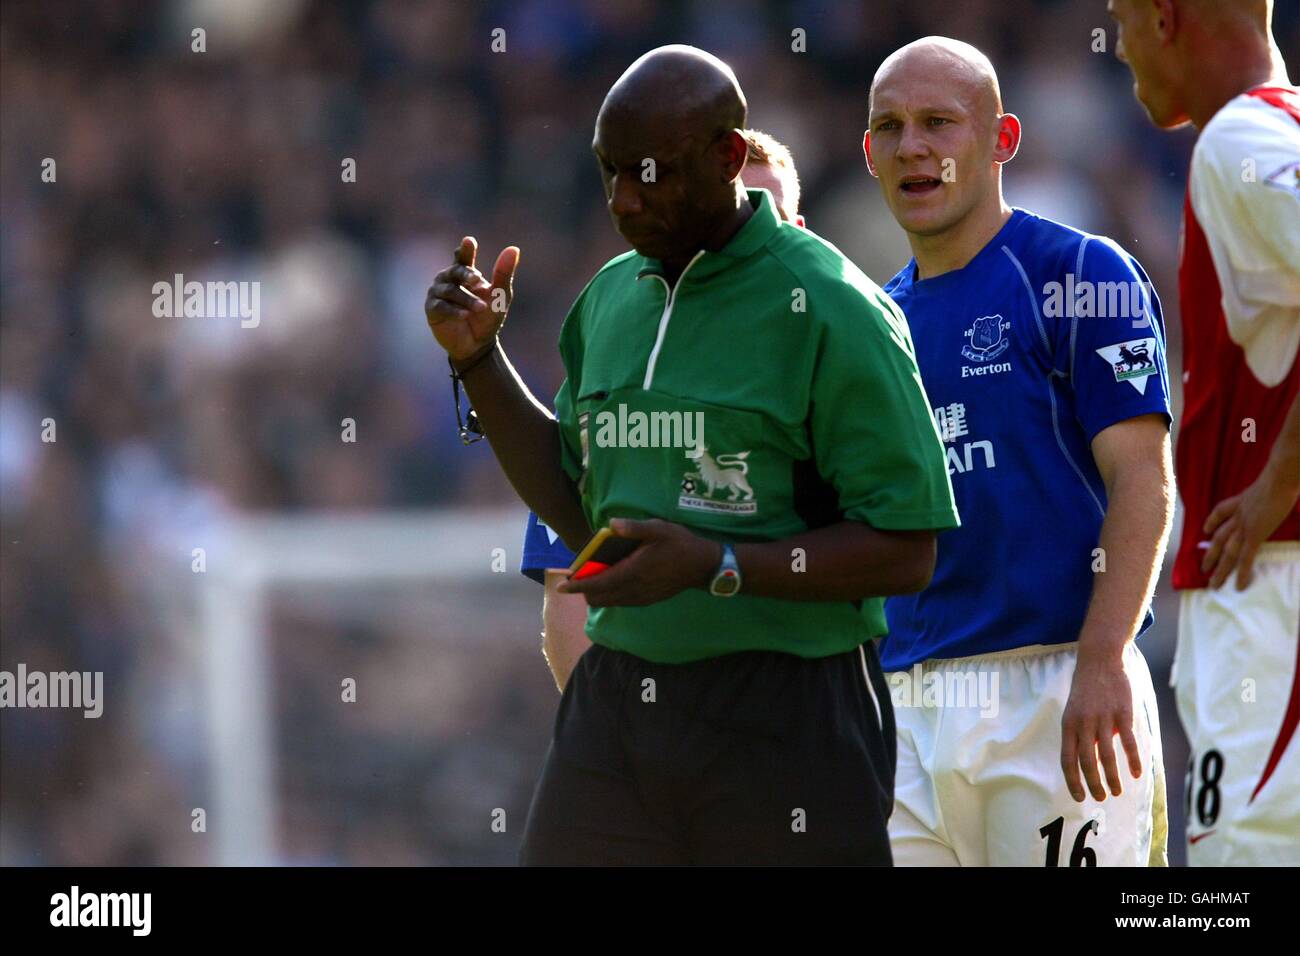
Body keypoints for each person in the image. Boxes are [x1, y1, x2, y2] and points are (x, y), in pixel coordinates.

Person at [425, 44, 958, 864]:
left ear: (728, 157)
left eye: (652, 174)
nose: (624, 202)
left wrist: (719, 562)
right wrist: (479, 362)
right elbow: (577, 509)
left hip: (790, 710)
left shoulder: (831, 306)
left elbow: (907, 549)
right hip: (620, 701)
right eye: (609, 174)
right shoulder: (607, 299)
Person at [864, 36, 1173, 865]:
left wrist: (1105, 658)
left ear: (1001, 140)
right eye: (889, 128)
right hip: (905, 710)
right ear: (868, 153)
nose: (913, 146)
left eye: (939, 122)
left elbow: (1143, 478)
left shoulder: (1082, 274)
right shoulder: (871, 326)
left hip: (1058, 690)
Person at [1108, 0, 1299, 865]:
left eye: (1119, 19)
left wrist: (1272, 490)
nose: (1116, 47)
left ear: (1165, 16)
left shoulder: (1238, 142)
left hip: (1273, 591)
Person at [520, 128, 807, 693]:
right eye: (719, 216)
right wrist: (613, 733)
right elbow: (571, 584)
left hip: (794, 722)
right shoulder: (612, 370)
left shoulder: (834, 357)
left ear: (795, 235)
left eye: (758, 215)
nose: (736, 238)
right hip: (649, 728)